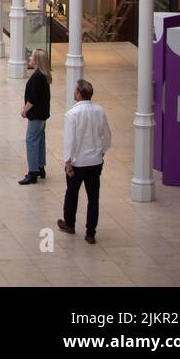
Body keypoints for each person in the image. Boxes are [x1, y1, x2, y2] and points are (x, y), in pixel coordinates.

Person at [58, 79, 111, 244]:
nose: (74, 93)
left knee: (72, 193)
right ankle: (90, 233)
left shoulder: (72, 114)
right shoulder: (100, 111)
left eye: (75, 91)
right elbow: (107, 136)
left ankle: (70, 224)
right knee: (93, 198)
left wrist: (67, 161)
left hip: (78, 163)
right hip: (95, 162)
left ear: (79, 94)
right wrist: (101, 153)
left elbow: (69, 141)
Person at [19, 48, 52, 185]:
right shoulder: (42, 75)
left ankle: (33, 172)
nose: (29, 58)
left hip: (37, 115)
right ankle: (40, 167)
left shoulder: (38, 77)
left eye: (32, 56)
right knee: (39, 140)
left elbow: (32, 99)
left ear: (37, 60)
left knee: (31, 141)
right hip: (42, 114)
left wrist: (24, 110)